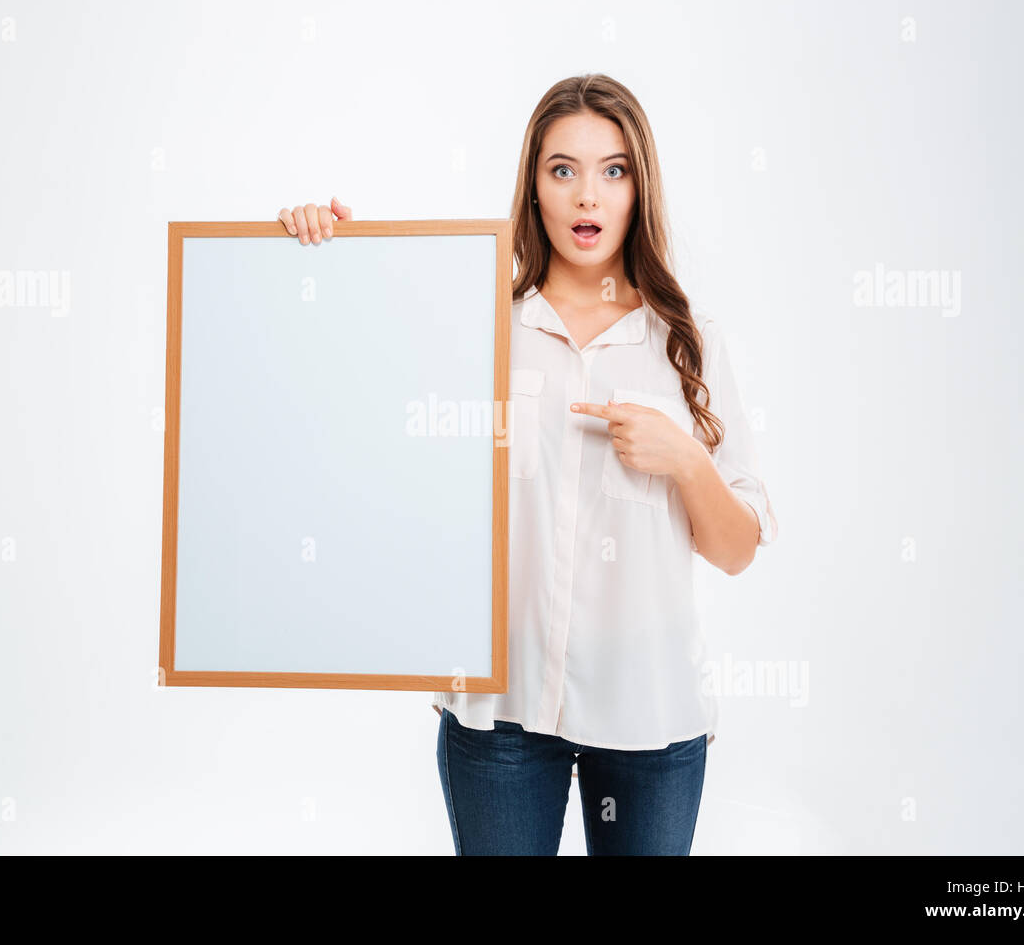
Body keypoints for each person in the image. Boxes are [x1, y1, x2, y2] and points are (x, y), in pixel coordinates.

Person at [277, 73, 778, 855]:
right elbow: (353, 408)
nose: (588, 196)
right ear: (534, 185)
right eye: (562, 169)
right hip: (500, 717)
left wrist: (684, 459)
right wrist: (333, 255)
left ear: (639, 187)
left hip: (650, 719)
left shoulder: (687, 343)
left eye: (613, 170)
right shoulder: (475, 326)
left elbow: (737, 550)